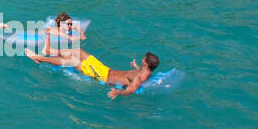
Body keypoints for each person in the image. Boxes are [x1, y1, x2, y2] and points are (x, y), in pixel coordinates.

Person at [25, 46, 160, 100]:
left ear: (146, 63)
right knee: (77, 50)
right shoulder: (144, 71)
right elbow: (137, 74)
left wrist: (118, 92)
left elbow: (131, 90)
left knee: (72, 61)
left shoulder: (140, 77)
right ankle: (49, 51)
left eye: (143, 59)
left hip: (102, 75)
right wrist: (136, 66)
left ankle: (40, 59)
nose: (142, 59)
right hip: (104, 69)